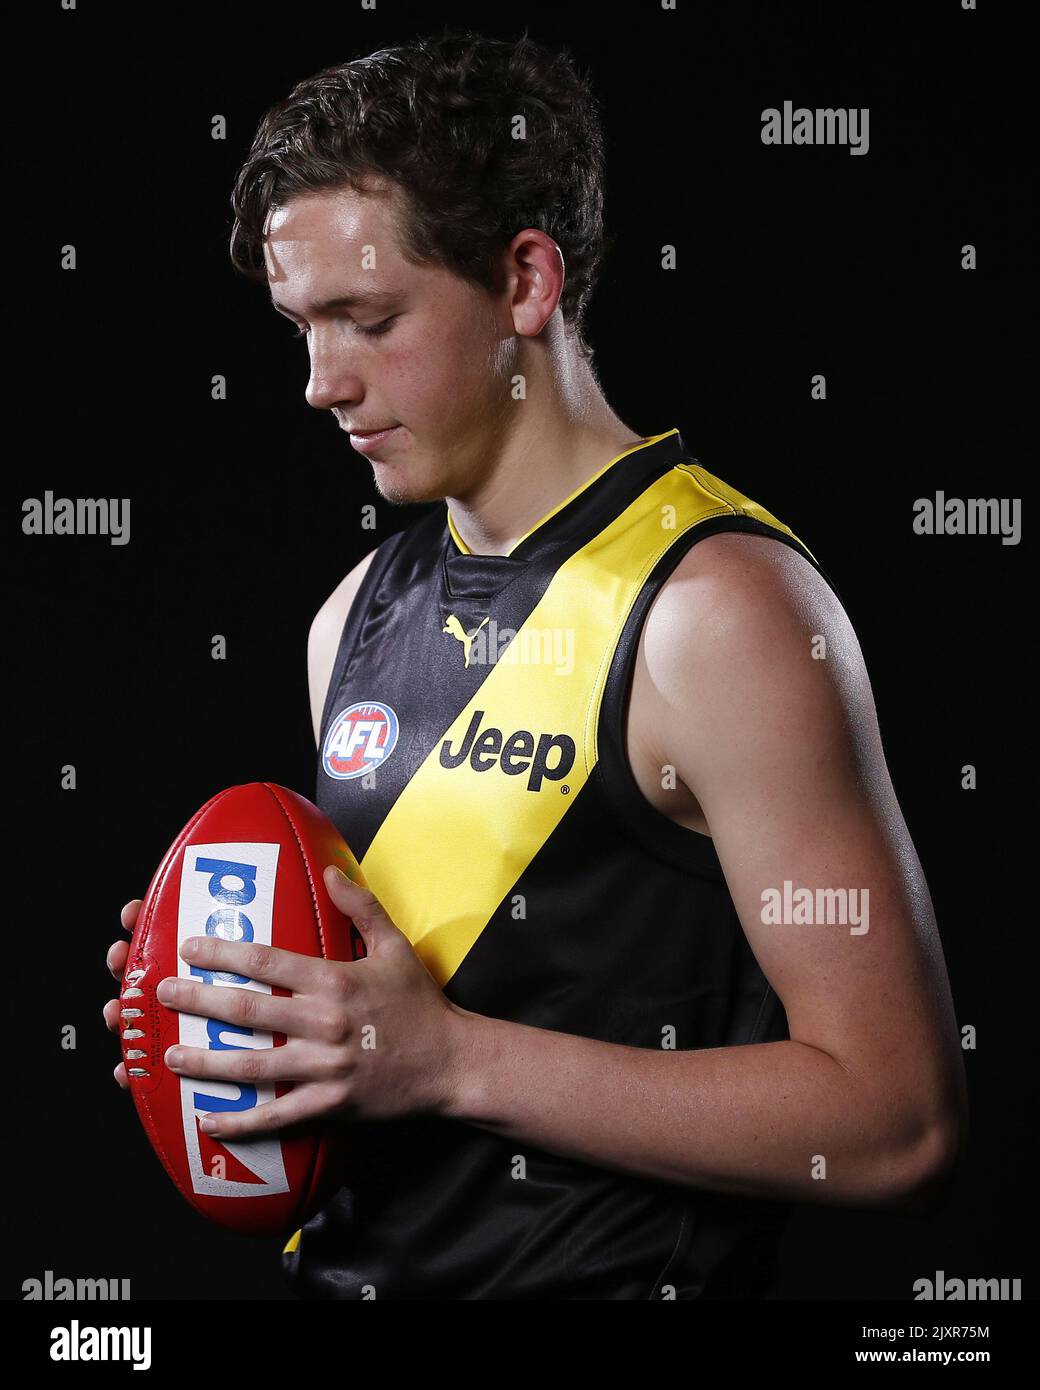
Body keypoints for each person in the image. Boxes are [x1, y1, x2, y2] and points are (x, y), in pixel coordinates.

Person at [104, 28, 967, 1300]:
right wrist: (234, 1007)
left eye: (366, 319)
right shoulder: (350, 615)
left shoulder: (716, 612)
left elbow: (897, 1123)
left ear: (524, 280)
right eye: (300, 328)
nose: (319, 384)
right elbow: (385, 1031)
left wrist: (450, 1060)